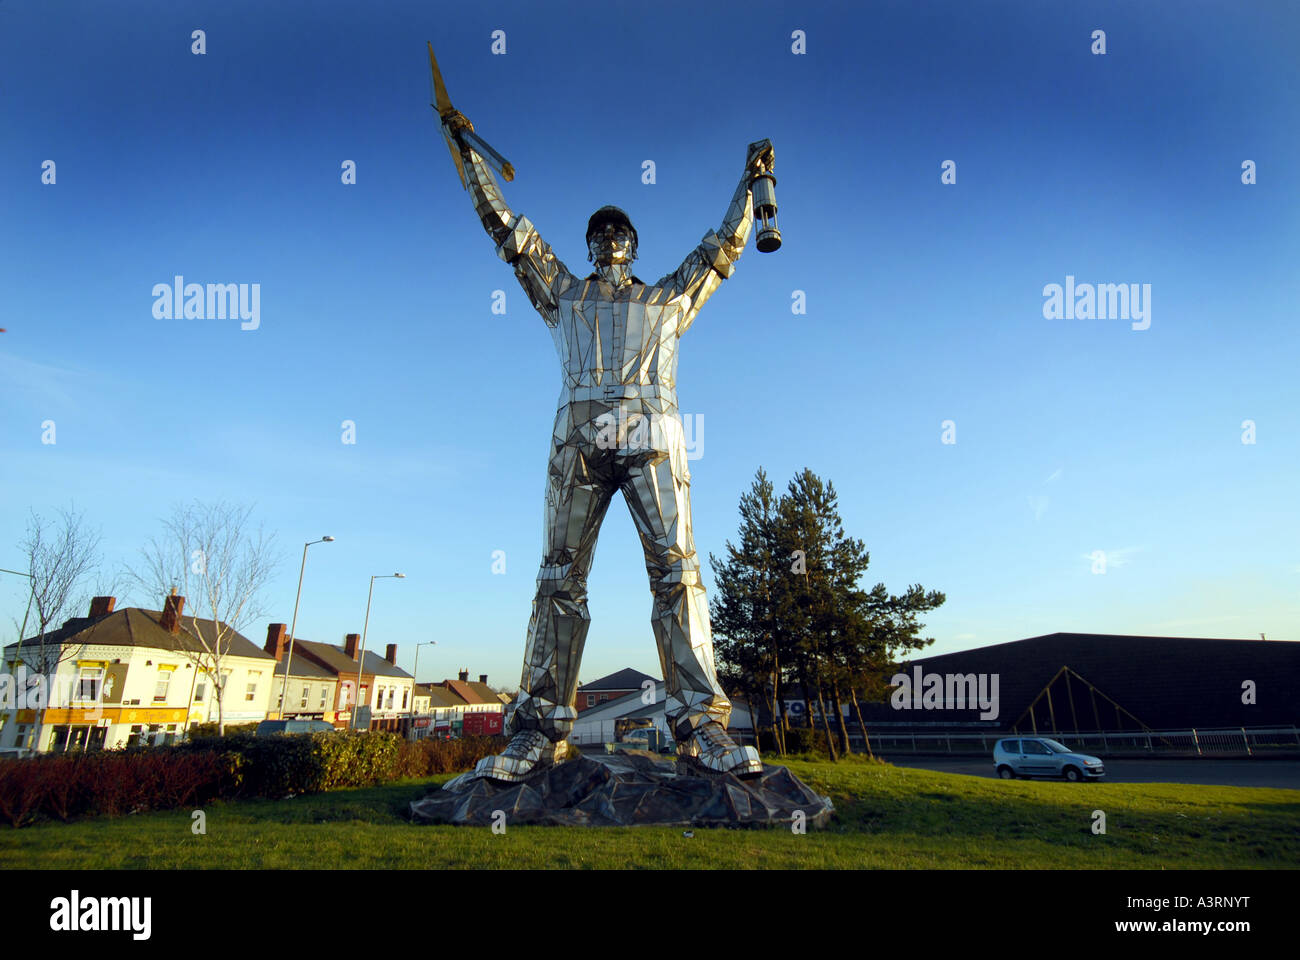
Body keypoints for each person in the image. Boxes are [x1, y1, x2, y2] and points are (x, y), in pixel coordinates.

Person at [443, 108, 774, 782]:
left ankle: (702, 729)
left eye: (619, 229)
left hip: (652, 436)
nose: (608, 237)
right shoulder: (563, 296)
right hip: (579, 441)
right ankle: (538, 732)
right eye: (598, 231)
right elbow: (505, 230)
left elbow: (723, 251)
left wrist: (751, 182)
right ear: (590, 245)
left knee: (677, 573)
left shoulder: (665, 300)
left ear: (634, 243)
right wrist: (466, 152)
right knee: (558, 578)